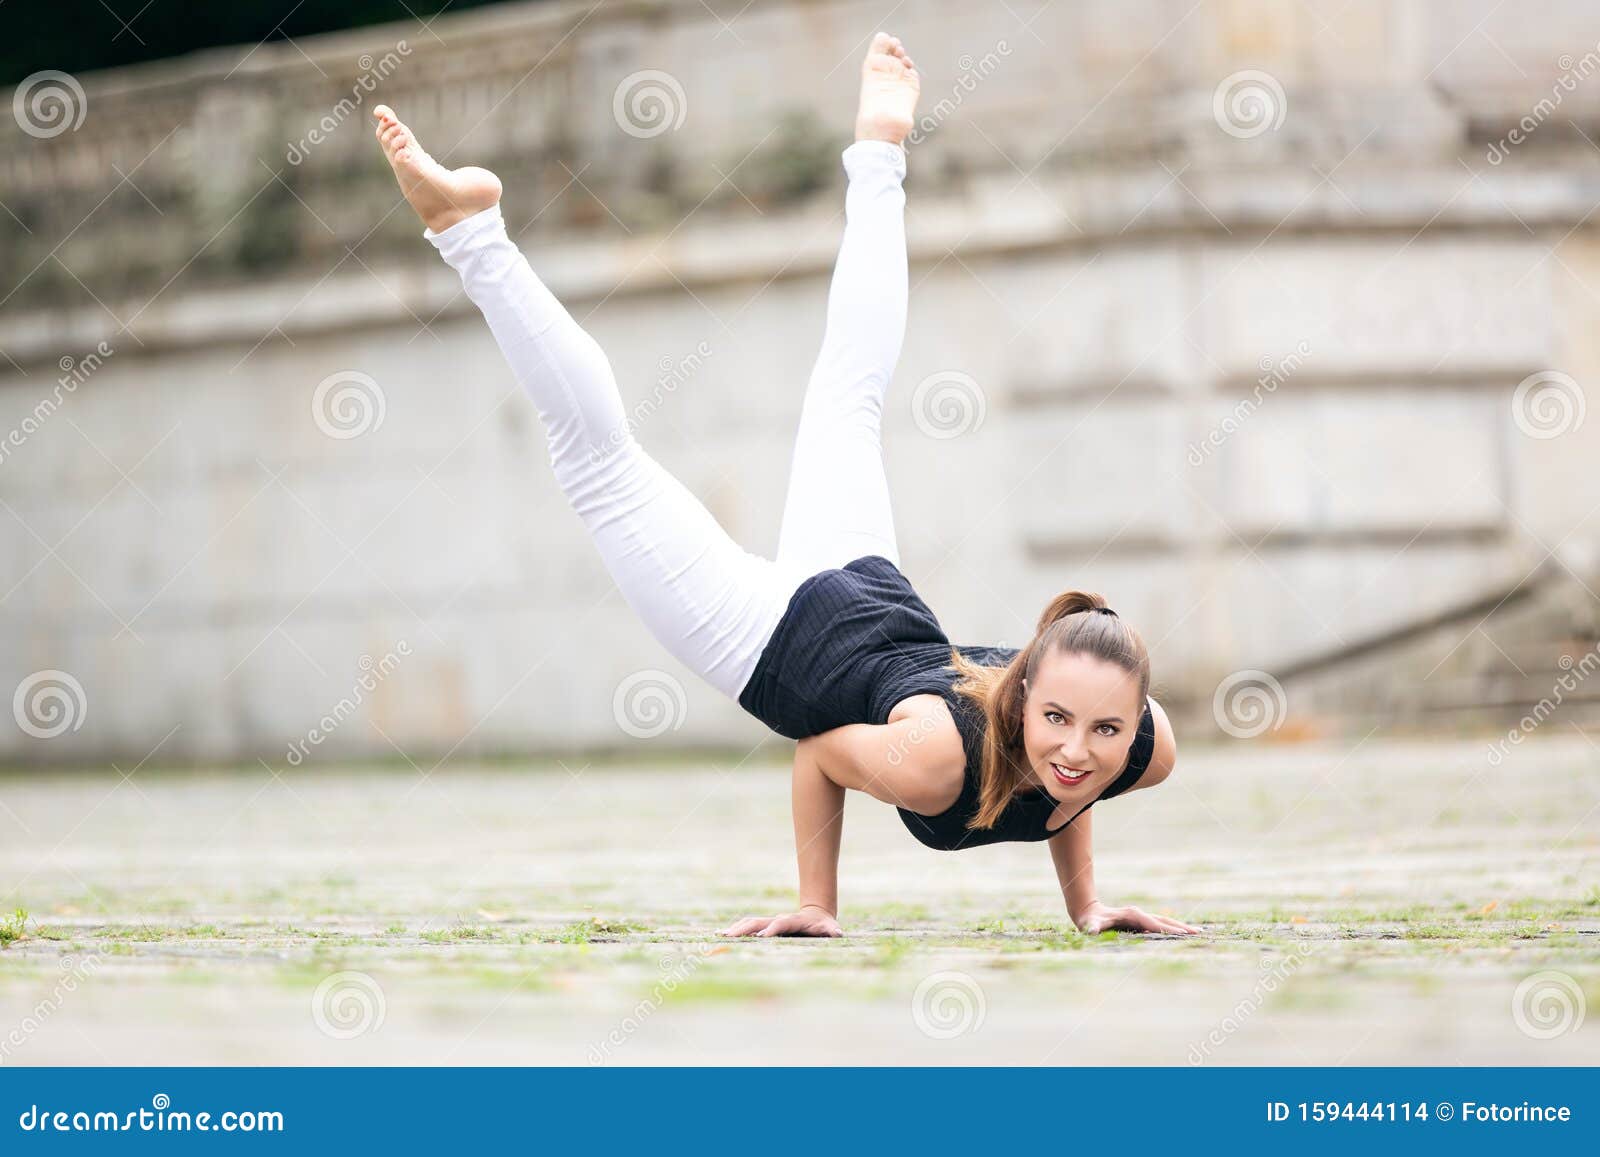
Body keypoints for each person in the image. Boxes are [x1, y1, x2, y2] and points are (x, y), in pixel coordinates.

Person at [371, 31, 1200, 940]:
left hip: (870, 591)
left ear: (1136, 724)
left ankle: (879, 148)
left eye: (1104, 730)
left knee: (851, 389)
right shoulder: (935, 762)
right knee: (599, 466)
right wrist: (817, 904)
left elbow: (1066, 790)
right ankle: (472, 233)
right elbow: (820, 753)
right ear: (1026, 689)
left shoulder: (1146, 747)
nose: (1077, 750)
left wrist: (1087, 905)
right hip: (775, 641)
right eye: (1057, 718)